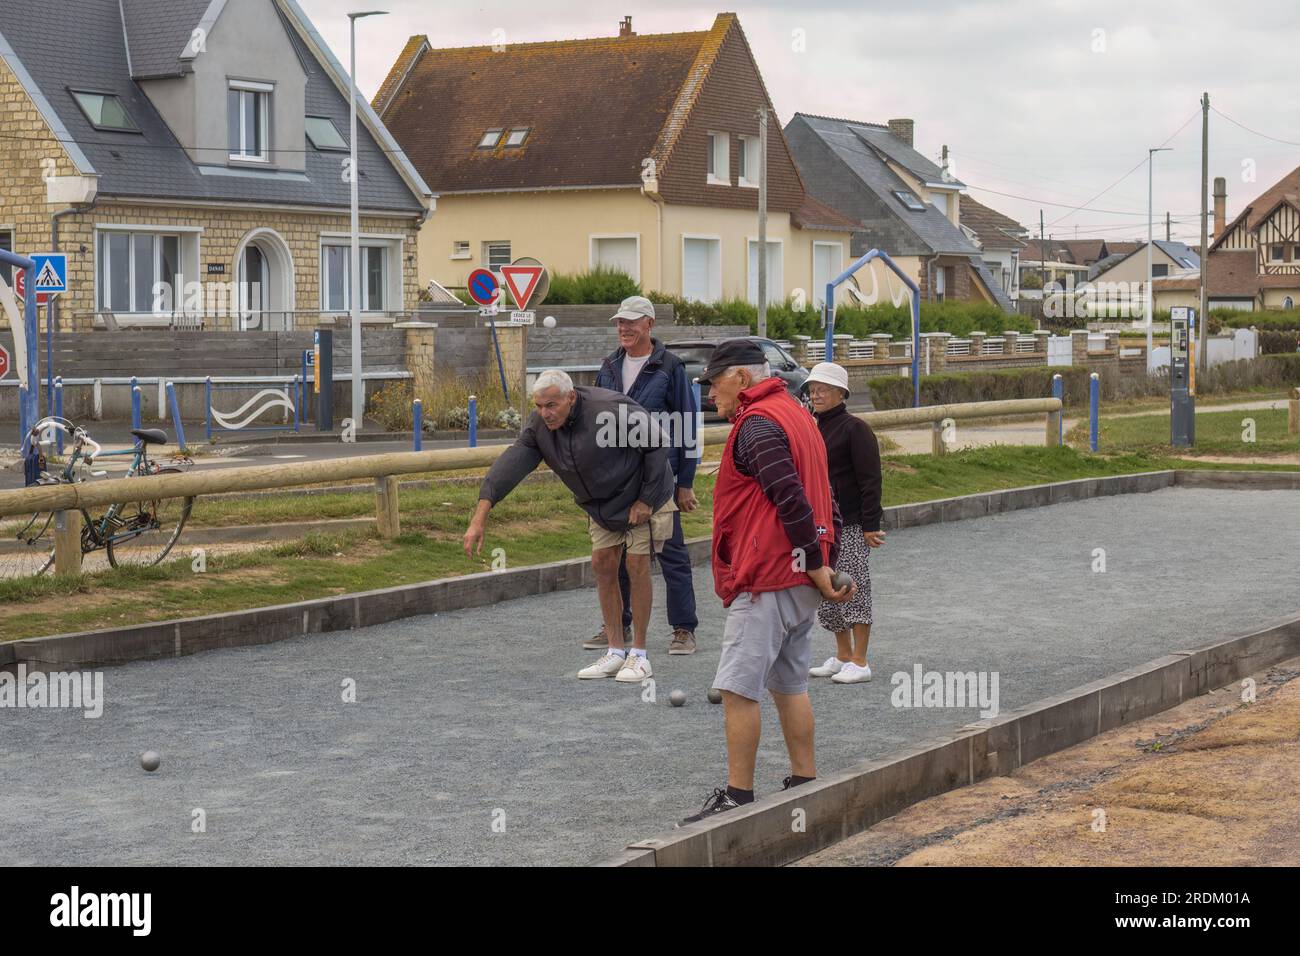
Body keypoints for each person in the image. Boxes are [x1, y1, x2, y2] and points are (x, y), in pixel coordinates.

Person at [679, 340, 853, 825]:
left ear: (740, 378)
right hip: (798, 576)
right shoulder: (798, 414)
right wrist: (826, 565)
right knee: (790, 684)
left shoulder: (758, 424)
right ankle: (804, 779)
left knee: (738, 689)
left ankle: (738, 796)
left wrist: (819, 566)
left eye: (714, 383)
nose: (711, 394)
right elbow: (827, 499)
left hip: (769, 574)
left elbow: (791, 498)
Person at [463, 369, 675, 683]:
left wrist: (645, 499)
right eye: (538, 406)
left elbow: (658, 443)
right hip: (601, 504)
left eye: (551, 405)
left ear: (571, 397)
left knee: (636, 563)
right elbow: (512, 463)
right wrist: (481, 515)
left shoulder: (609, 409)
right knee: (602, 564)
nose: (544, 413)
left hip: (643, 495)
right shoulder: (540, 426)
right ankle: (616, 651)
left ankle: (640, 656)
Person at [586, 295, 701, 655]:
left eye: (632, 322)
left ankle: (684, 629)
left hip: (659, 477)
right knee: (616, 552)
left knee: (670, 553)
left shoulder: (670, 367)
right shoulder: (608, 366)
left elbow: (688, 425)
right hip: (617, 479)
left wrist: (685, 483)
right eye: (620, 322)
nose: (624, 328)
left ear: (649, 324)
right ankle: (616, 626)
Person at [803, 363, 885, 685]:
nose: (816, 394)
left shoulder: (855, 429)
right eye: (812, 389)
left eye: (823, 389)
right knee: (825, 588)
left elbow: (870, 479)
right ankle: (843, 655)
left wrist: (870, 524)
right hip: (821, 525)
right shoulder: (811, 427)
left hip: (850, 523)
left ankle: (861, 660)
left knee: (853, 586)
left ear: (841, 393)